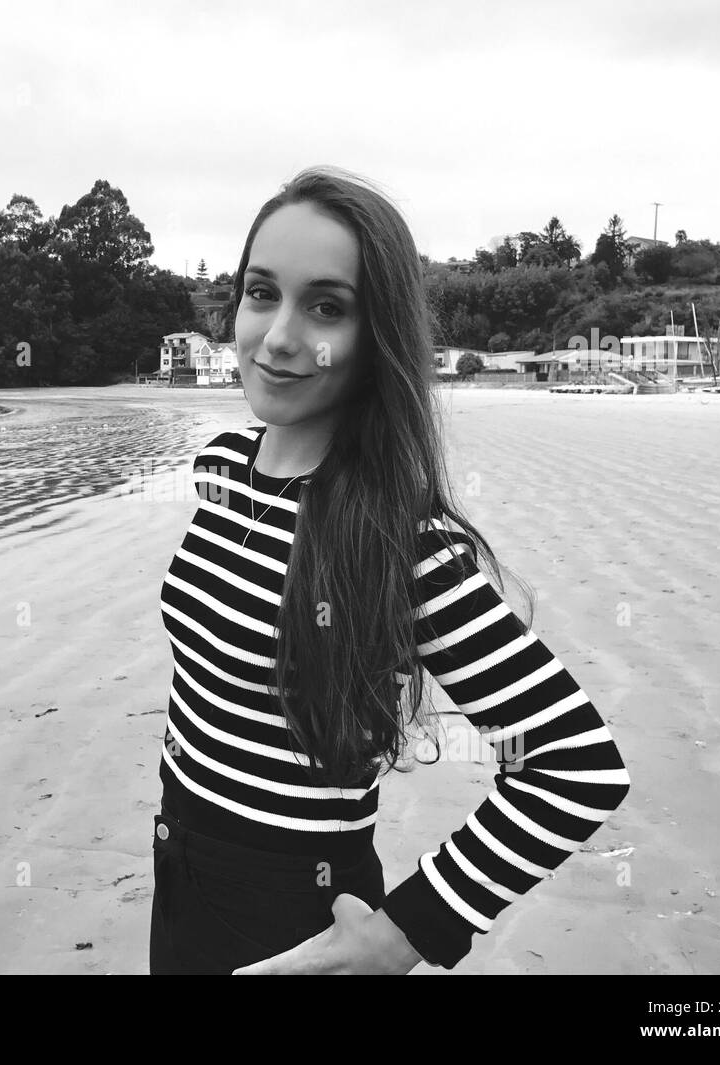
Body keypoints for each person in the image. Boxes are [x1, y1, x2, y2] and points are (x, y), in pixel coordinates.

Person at [150, 165, 631, 975]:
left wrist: (408, 929)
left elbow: (573, 760)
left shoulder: (400, 541)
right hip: (178, 875)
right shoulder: (223, 466)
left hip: (295, 917)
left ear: (378, 335)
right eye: (262, 292)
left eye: (327, 307)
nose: (278, 337)